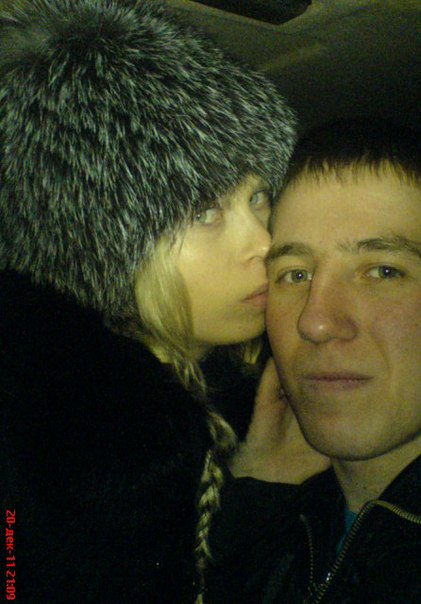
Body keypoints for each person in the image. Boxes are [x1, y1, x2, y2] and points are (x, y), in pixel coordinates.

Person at [0, 1, 302, 602]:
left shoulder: (262, 379)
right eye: (205, 211)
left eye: (258, 197)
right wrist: (261, 492)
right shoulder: (61, 460)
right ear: (103, 244)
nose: (266, 244)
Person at [206, 119, 421, 603]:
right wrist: (256, 492)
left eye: (383, 271)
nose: (315, 322)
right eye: (295, 274)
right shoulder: (266, 515)